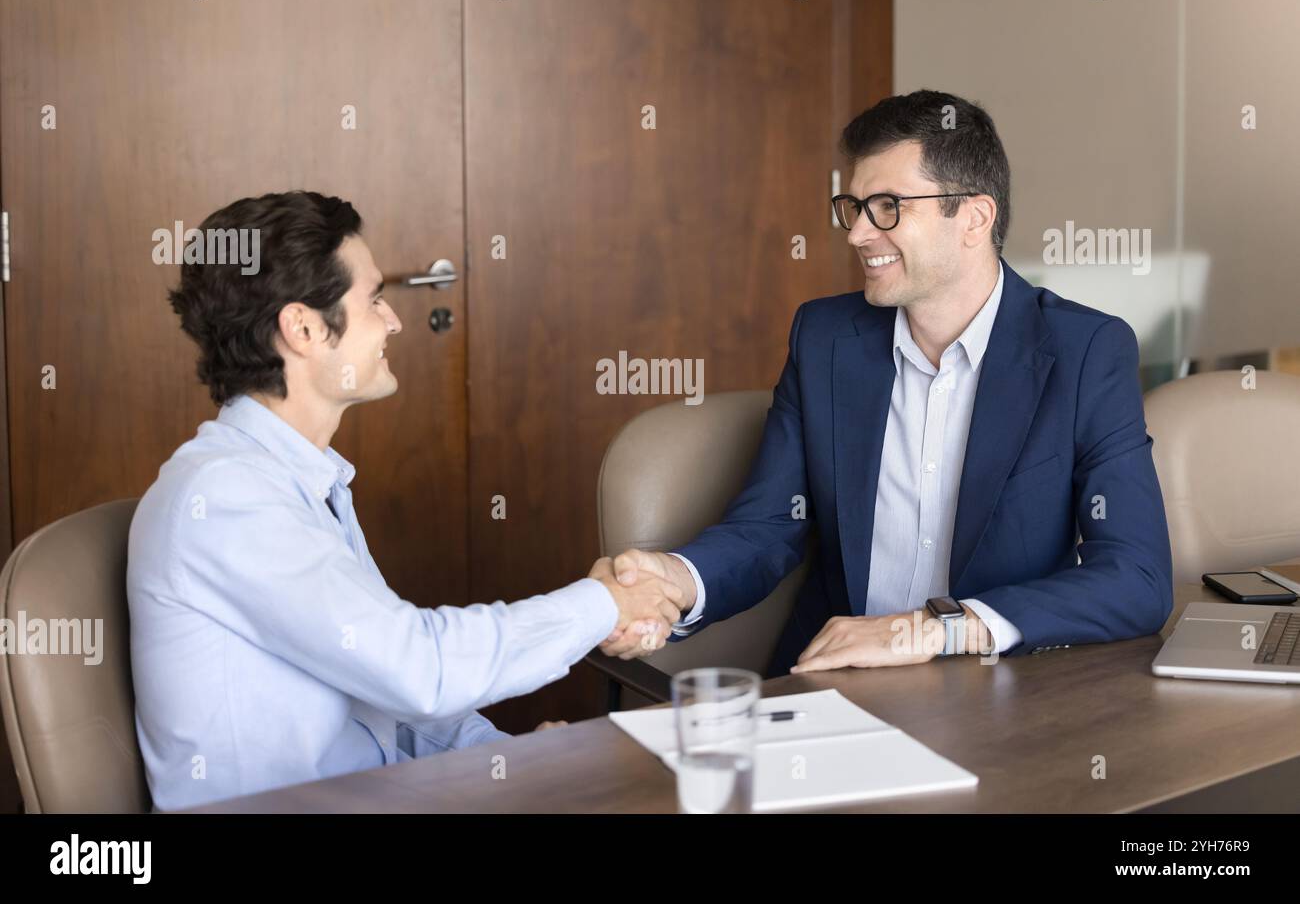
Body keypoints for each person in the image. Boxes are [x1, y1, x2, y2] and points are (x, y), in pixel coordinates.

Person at [128, 191, 683, 810]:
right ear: (304, 328)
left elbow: (382, 696)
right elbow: (421, 671)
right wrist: (607, 604)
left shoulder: (300, 480)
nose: (393, 321)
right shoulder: (227, 497)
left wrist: (506, 758)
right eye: (374, 300)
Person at [601, 90, 1173, 675]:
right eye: (853, 207)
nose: (857, 234)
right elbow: (769, 526)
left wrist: (935, 629)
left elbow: (1137, 577)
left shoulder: (1085, 352)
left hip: (1000, 694)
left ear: (974, 217)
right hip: (837, 687)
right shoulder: (824, 338)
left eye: (888, 207)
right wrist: (677, 580)